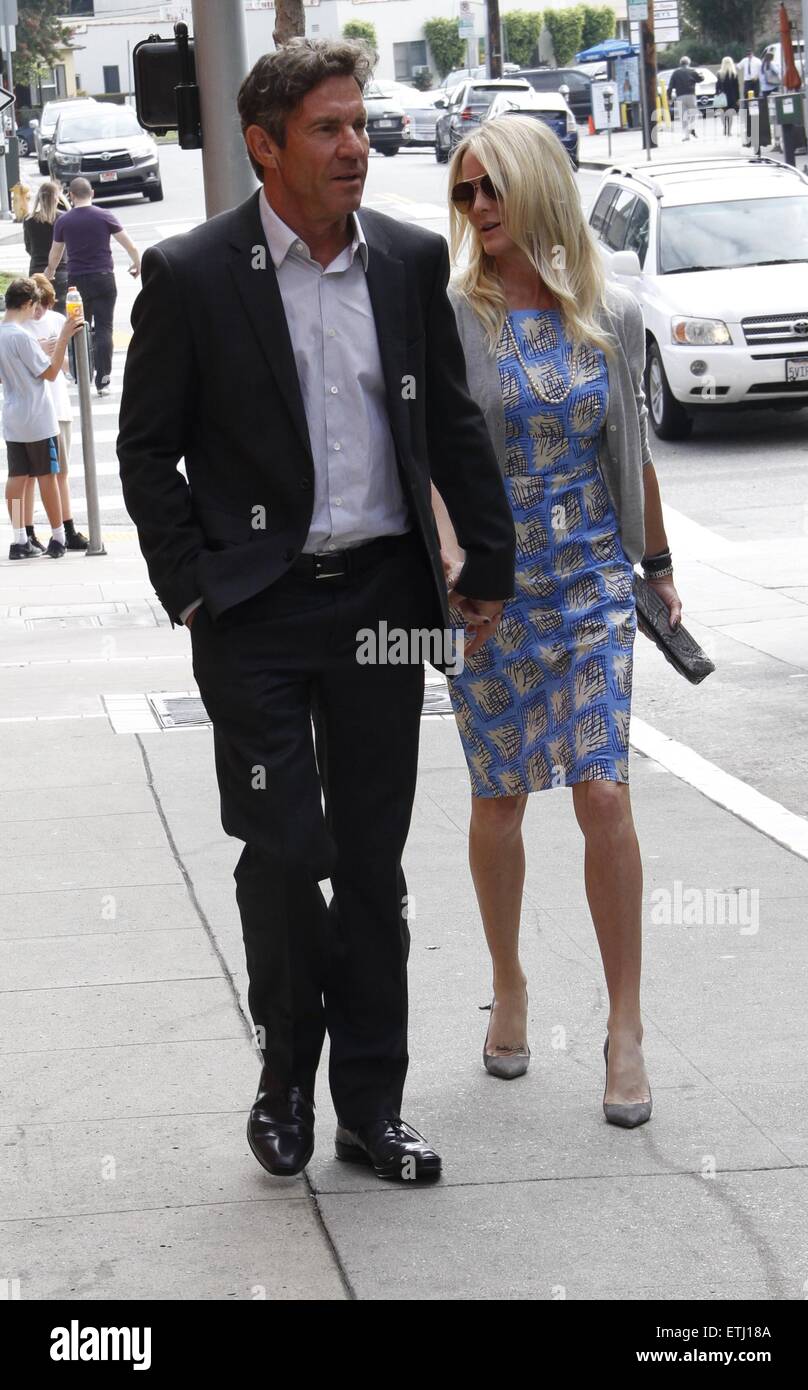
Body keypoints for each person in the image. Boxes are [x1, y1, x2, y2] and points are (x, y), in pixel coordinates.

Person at [117, 39, 515, 1183]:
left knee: (375, 864)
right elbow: (147, 452)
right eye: (330, 130)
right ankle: (283, 1079)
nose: (357, 147)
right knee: (286, 851)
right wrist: (193, 589)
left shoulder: (399, 263)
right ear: (264, 145)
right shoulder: (193, 274)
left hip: (383, 604)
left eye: (359, 125)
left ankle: (369, 1107)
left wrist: (482, 569)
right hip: (256, 612)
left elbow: (447, 427)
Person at [432, 116, 683, 1126]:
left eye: (492, 188)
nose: (480, 209)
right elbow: (433, 459)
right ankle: (510, 981)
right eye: (464, 194)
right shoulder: (451, 316)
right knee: (499, 801)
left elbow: (632, 453)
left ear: (534, 189)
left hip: (588, 582)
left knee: (601, 797)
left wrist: (657, 567)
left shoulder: (607, 312)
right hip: (489, 593)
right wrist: (450, 564)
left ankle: (623, 1028)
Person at [1, 277, 84, 560]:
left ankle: (19, 539)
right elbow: (49, 373)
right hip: (38, 416)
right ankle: (59, 536)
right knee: (48, 476)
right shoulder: (22, 336)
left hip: (12, 418)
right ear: (27, 304)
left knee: (16, 477)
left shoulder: (1, 333)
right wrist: (63, 338)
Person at [45, 177, 141, 396]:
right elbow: (130, 245)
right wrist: (137, 264)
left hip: (76, 283)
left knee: (79, 327)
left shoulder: (64, 221)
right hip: (104, 278)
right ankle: (104, 380)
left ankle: (82, 374)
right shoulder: (105, 216)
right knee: (105, 328)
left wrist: (49, 273)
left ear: (71, 195)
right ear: (93, 194)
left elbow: (56, 253)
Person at [22, 273, 88, 553]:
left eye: (45, 305)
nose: (40, 311)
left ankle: (59, 529)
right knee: (24, 479)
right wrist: (41, 350)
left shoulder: (58, 322)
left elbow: (64, 368)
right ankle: (24, 534)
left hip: (53, 407)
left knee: (57, 472)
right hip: (27, 413)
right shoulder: (15, 329)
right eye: (35, 304)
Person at [23, 181, 70, 312]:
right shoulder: (63, 218)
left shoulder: (29, 220)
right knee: (61, 314)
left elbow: (28, 247)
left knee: (38, 314)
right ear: (57, 199)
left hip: (36, 272)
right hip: (61, 270)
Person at [667, 56, 703, 141]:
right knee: (694, 112)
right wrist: (701, 75)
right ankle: (692, 127)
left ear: (680, 63)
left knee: (683, 116)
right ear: (688, 63)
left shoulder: (675, 73)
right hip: (691, 95)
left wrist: (668, 97)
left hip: (680, 96)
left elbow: (670, 86)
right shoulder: (692, 71)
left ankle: (687, 136)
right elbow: (700, 79)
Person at [715, 57, 740, 137]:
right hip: (732, 97)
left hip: (722, 96)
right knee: (730, 114)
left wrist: (716, 95)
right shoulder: (734, 74)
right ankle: (729, 131)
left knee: (722, 113)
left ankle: (725, 127)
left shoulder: (719, 73)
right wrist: (737, 98)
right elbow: (736, 87)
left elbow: (717, 86)